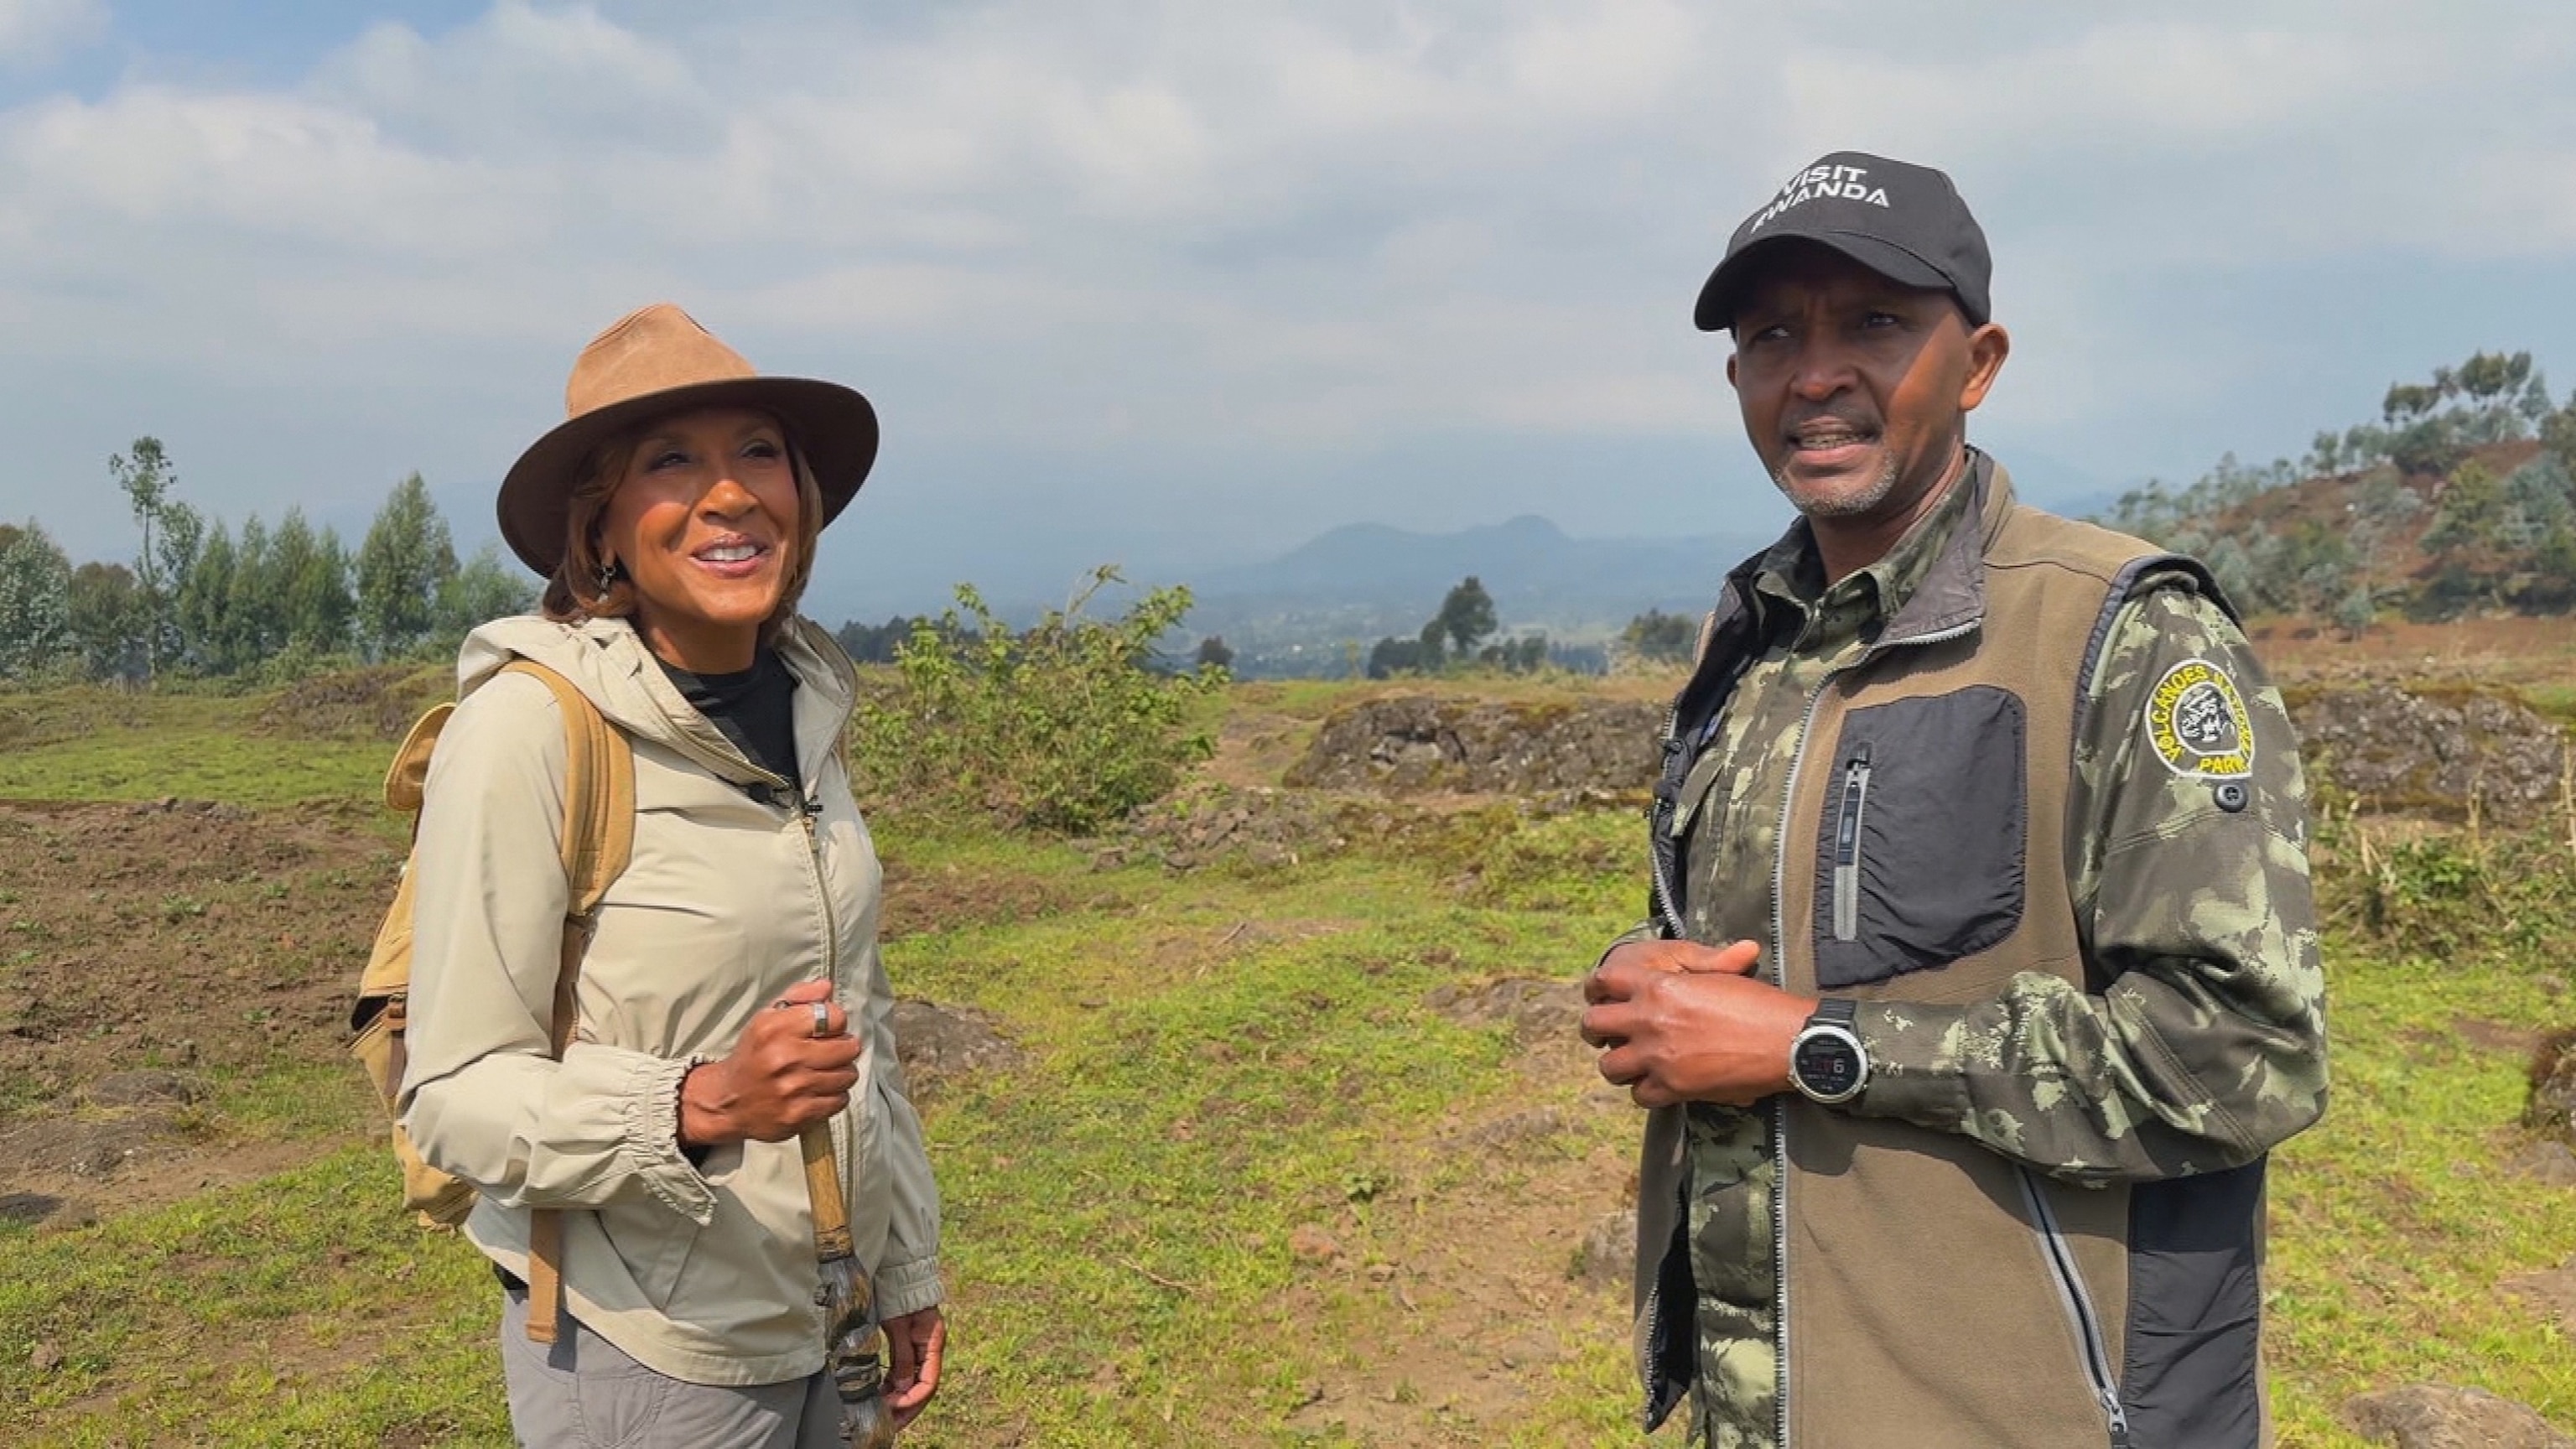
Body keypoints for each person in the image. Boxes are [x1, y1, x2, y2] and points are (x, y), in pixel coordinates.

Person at [1578, 153, 2328, 1449]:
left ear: (1978, 364)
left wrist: (1814, 1043)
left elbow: (2239, 1052)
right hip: (1782, 1403)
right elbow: (1784, 958)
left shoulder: (2122, 637)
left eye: (1873, 322)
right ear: (1736, 378)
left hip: (2029, 1410)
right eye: (1774, 336)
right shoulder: (1756, 638)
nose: (1815, 374)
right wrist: (1659, 979)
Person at [400, 302, 946, 1447]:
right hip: (645, 1346)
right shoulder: (528, 730)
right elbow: (452, 1096)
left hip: (825, 1311)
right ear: (599, 526)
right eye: (671, 462)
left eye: (758, 451)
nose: (730, 492)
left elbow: (862, 1015)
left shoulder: (804, 705)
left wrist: (900, 1265)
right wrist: (700, 1103)